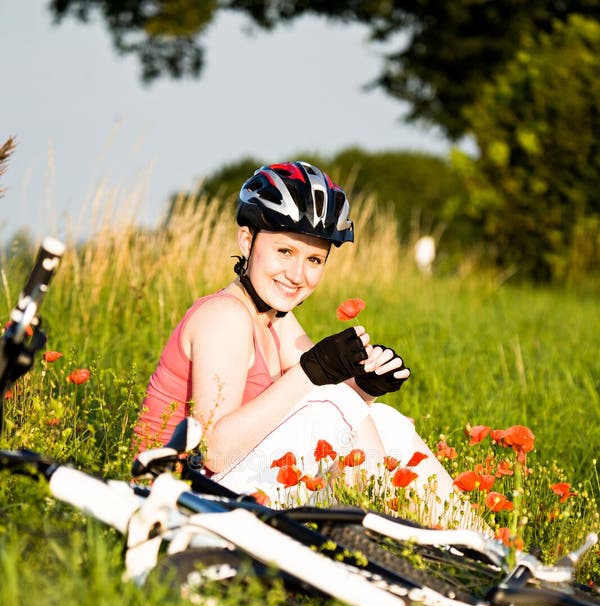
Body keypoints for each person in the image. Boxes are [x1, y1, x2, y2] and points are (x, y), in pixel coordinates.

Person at [134, 161, 478, 528]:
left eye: (314, 259)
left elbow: (332, 402)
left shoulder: (274, 318)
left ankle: (487, 547)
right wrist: (316, 373)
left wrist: (366, 386)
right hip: (175, 502)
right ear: (247, 241)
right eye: (285, 252)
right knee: (335, 402)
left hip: (219, 492)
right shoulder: (224, 316)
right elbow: (213, 450)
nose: (297, 275)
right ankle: (393, 537)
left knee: (384, 420)